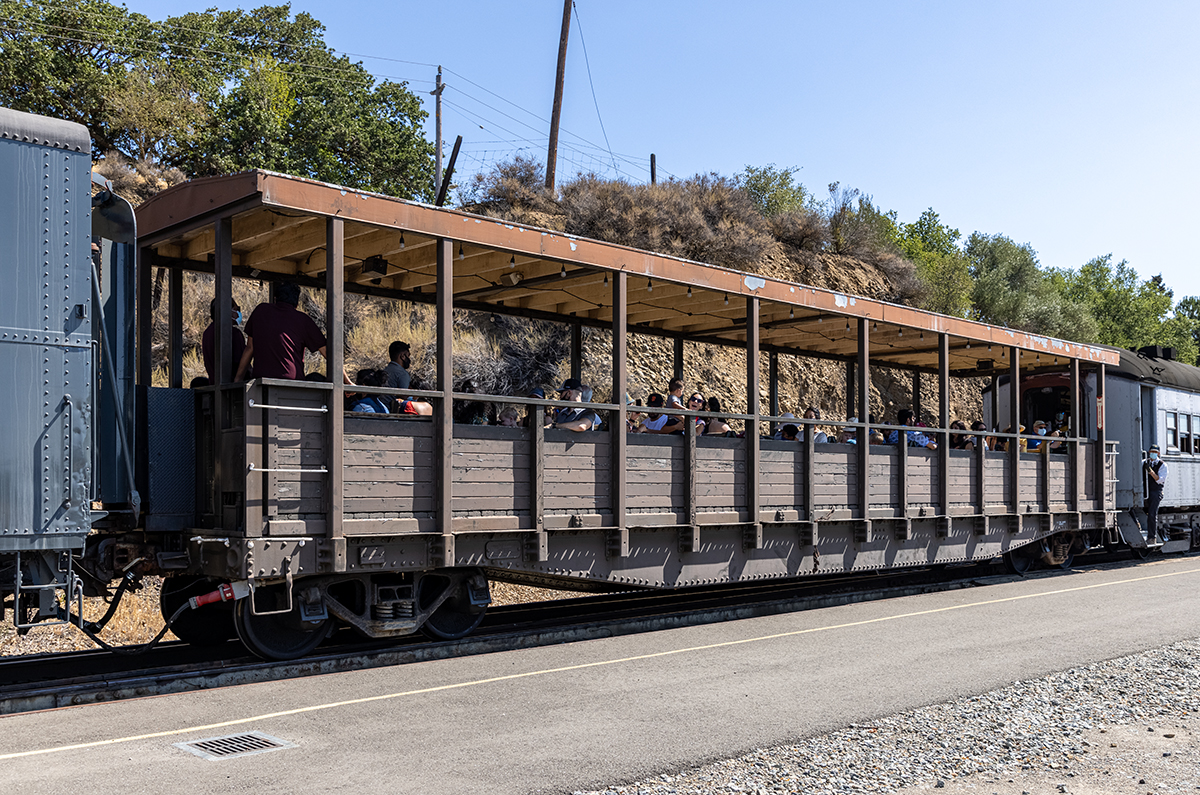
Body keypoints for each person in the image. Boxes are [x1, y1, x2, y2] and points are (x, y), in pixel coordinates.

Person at [236, 282, 346, 382]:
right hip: (291, 384)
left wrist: (238, 379)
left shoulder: (261, 311)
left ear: (275, 299)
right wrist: (347, 381)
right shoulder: (302, 320)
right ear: (297, 303)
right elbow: (327, 352)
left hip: (261, 383)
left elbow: (250, 348)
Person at [202, 297, 247, 384]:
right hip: (233, 387)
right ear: (228, 311)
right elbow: (241, 363)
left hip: (214, 384)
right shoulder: (233, 333)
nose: (238, 313)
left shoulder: (207, 332)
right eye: (236, 309)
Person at [1144, 444, 1167, 542]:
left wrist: (1150, 471)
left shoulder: (1162, 465)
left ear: (1158, 453)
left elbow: (1159, 480)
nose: (1153, 454)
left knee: (1152, 514)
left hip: (1156, 491)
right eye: (1151, 452)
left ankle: (1152, 537)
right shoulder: (1144, 462)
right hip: (1145, 491)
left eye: (1155, 452)